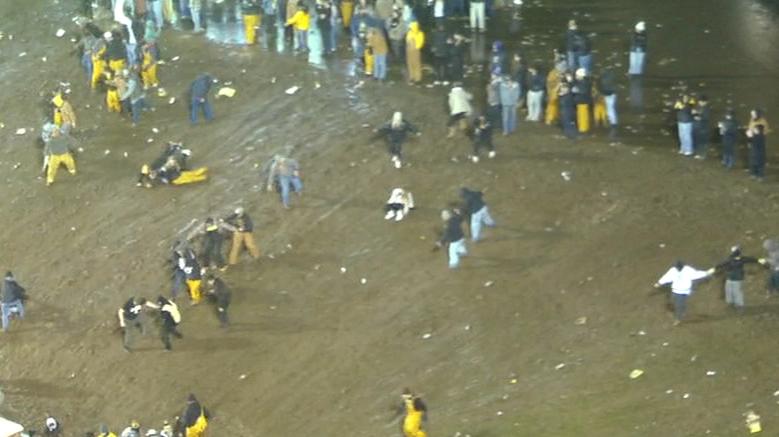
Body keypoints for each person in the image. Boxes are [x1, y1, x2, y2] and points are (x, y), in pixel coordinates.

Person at [654, 261, 714, 326]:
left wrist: (706, 273)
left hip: (683, 292)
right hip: (675, 291)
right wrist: (659, 283)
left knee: (679, 305)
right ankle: (681, 310)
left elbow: (696, 274)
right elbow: (666, 277)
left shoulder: (687, 270)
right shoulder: (673, 270)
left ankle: (678, 319)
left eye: (679, 268)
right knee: (675, 301)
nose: (678, 269)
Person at [713, 246, 765, 312]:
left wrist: (761, 261)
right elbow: (721, 265)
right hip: (732, 278)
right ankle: (732, 304)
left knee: (736, 292)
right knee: (731, 292)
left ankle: (739, 306)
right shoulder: (735, 259)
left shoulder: (737, 259)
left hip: (735, 279)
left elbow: (753, 260)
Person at [598, 69, 618, 138]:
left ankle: (613, 124)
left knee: (610, 110)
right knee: (611, 109)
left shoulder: (603, 80)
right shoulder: (611, 77)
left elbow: (604, 89)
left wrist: (601, 94)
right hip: (612, 95)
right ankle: (612, 123)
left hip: (608, 96)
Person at [572, 68, 592, 134]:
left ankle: (583, 129)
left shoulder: (583, 82)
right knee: (582, 115)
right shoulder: (584, 82)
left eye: (577, 75)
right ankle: (583, 127)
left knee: (582, 115)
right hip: (582, 101)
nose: (576, 77)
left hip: (582, 101)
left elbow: (583, 91)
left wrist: (575, 90)